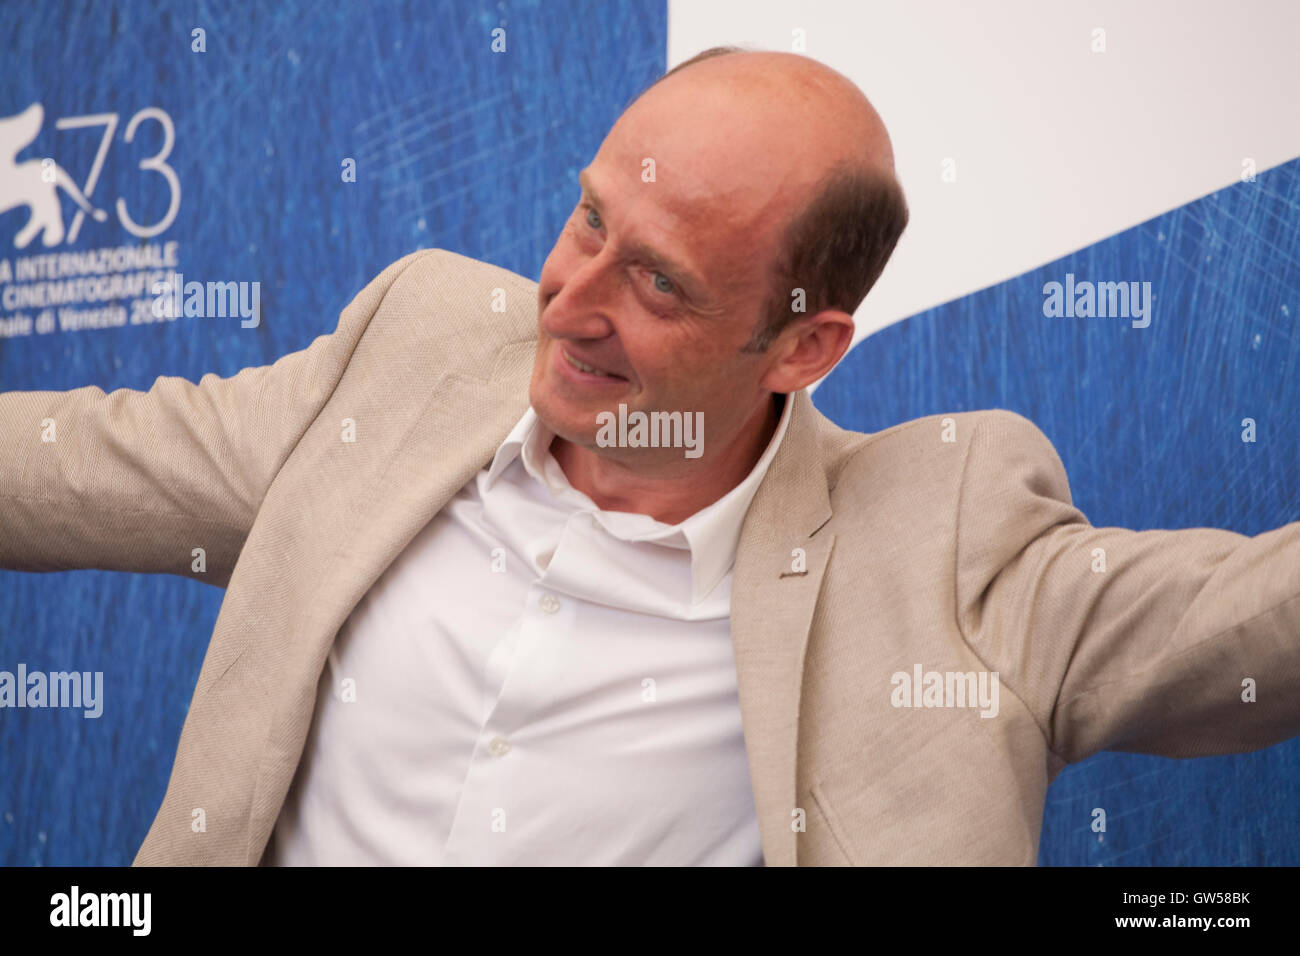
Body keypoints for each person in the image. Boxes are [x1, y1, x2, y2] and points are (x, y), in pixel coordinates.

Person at [2, 47, 1298, 866]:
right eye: (587, 219)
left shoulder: (948, 540)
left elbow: (1241, 626)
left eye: (659, 284)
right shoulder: (421, 349)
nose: (568, 299)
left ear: (802, 348)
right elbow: (74, 462)